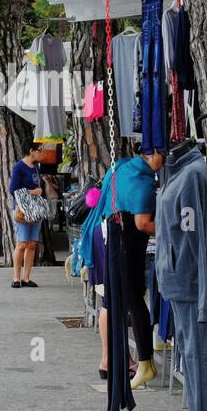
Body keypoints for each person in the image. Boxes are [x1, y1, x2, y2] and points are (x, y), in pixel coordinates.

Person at [85, 147, 164, 387]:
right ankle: (143, 362)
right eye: (164, 155)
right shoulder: (143, 181)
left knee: (112, 301)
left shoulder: (120, 166)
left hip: (107, 240)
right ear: (152, 154)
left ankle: (112, 360)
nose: (165, 161)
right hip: (125, 246)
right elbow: (143, 223)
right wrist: (172, 232)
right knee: (134, 302)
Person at [9, 142, 47, 289]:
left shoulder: (36, 167)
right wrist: (32, 192)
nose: (41, 153)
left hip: (36, 210)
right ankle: (16, 277)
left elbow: (39, 187)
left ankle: (26, 277)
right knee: (21, 243)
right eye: (39, 150)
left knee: (32, 244)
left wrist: (39, 191)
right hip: (23, 210)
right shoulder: (18, 167)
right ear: (31, 151)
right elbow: (13, 189)